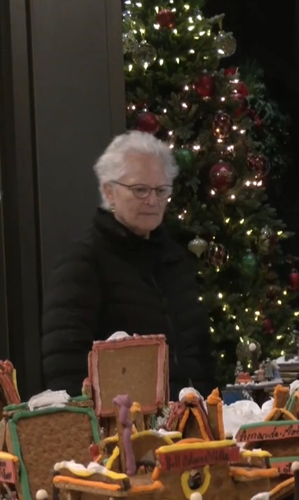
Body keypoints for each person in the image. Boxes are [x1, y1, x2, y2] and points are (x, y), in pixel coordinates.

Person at [41, 131, 216, 399]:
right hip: (124, 433)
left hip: (190, 427)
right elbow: (66, 371)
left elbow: (199, 355)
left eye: (161, 191)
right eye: (140, 189)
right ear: (109, 191)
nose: (153, 201)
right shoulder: (83, 263)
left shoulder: (175, 259)